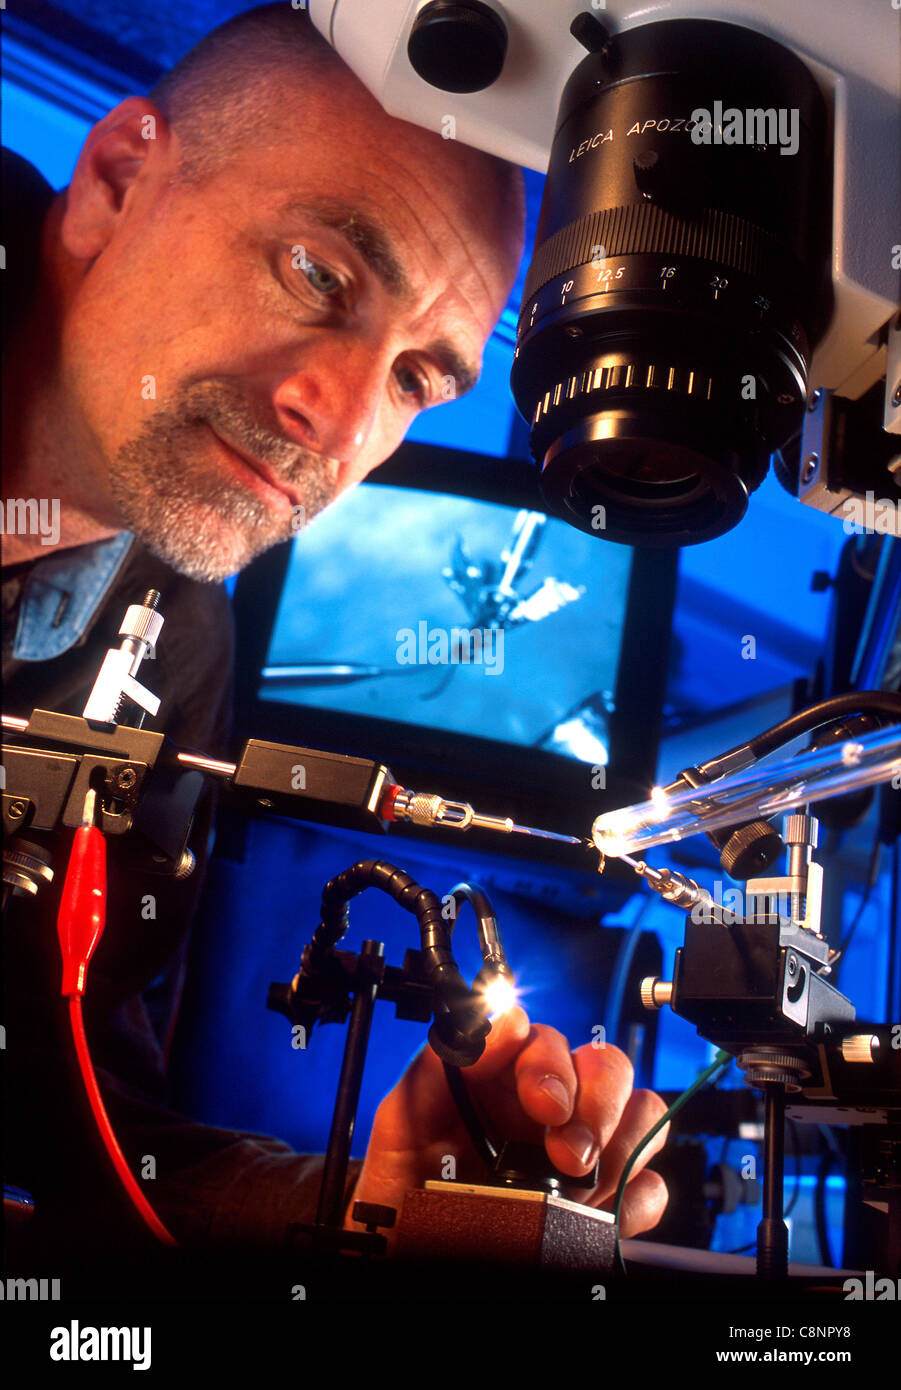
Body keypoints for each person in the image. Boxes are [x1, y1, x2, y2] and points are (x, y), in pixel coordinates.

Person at [1, 4, 668, 1265]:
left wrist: (375, 1214)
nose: (345, 422)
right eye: (317, 274)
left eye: (417, 378)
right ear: (116, 182)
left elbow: (75, 1125)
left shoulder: (176, 653)